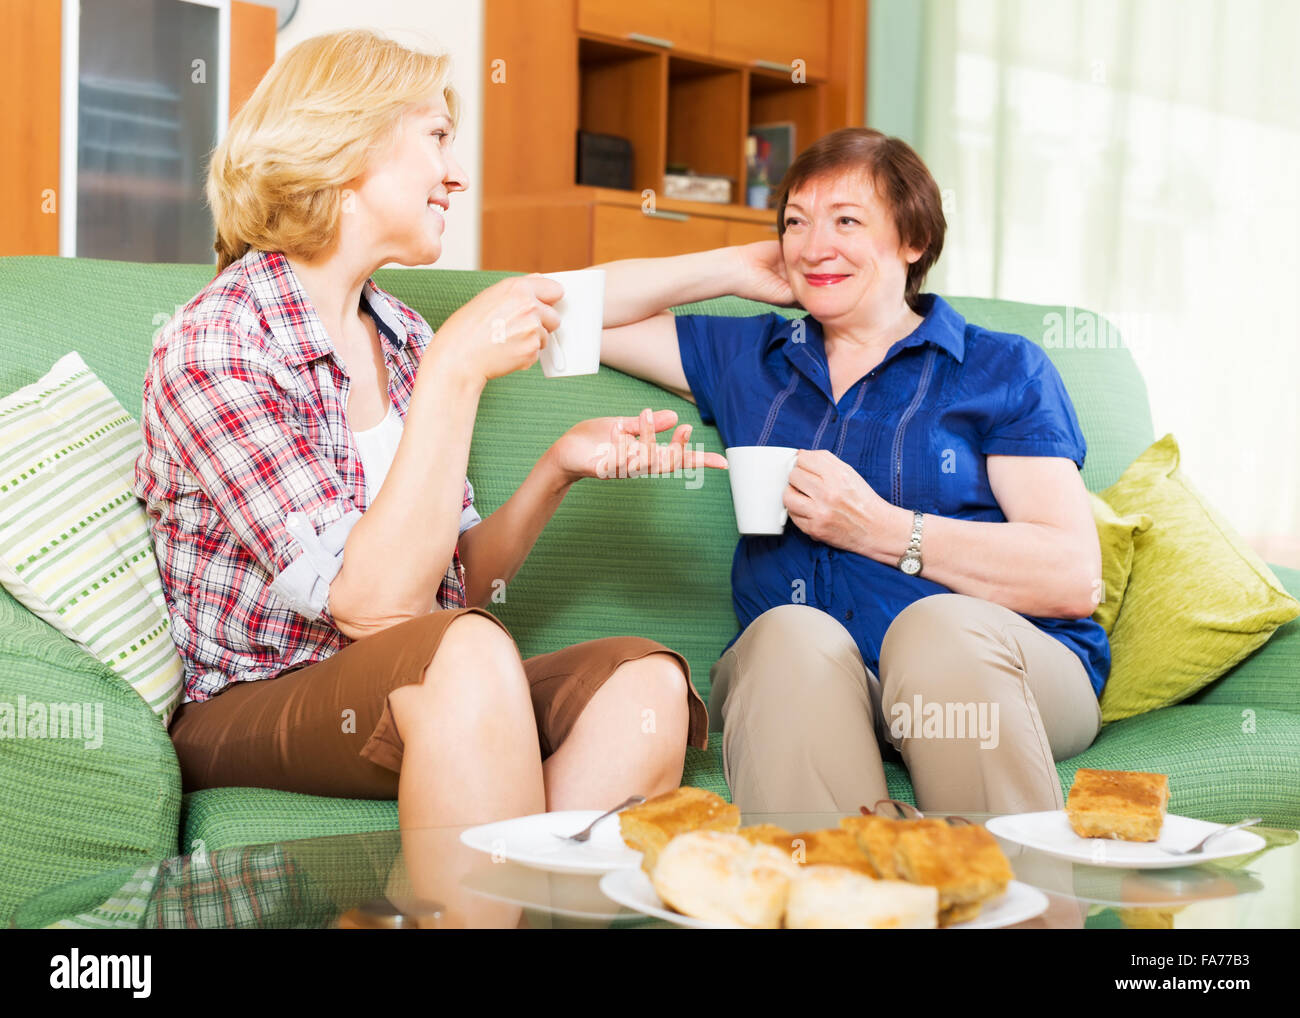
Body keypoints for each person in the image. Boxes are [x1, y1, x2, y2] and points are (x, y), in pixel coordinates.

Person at [133, 29, 720, 871]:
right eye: (437, 138)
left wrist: (557, 468)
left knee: (645, 683)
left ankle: (503, 906)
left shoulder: (402, 334)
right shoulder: (217, 341)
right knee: (468, 647)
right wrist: (455, 372)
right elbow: (370, 607)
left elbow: (456, 582)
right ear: (343, 147)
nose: (458, 174)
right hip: (251, 699)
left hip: (426, 669)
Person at [594, 127, 1108, 815]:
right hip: (820, 684)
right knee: (784, 633)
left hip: (1004, 671)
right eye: (795, 224)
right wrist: (734, 269)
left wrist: (880, 529)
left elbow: (1073, 576)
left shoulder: (998, 369)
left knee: (937, 632)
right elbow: (561, 315)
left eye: (846, 221)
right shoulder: (752, 356)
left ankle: (1005, 916)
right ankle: (836, 903)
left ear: (913, 240)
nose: (814, 246)